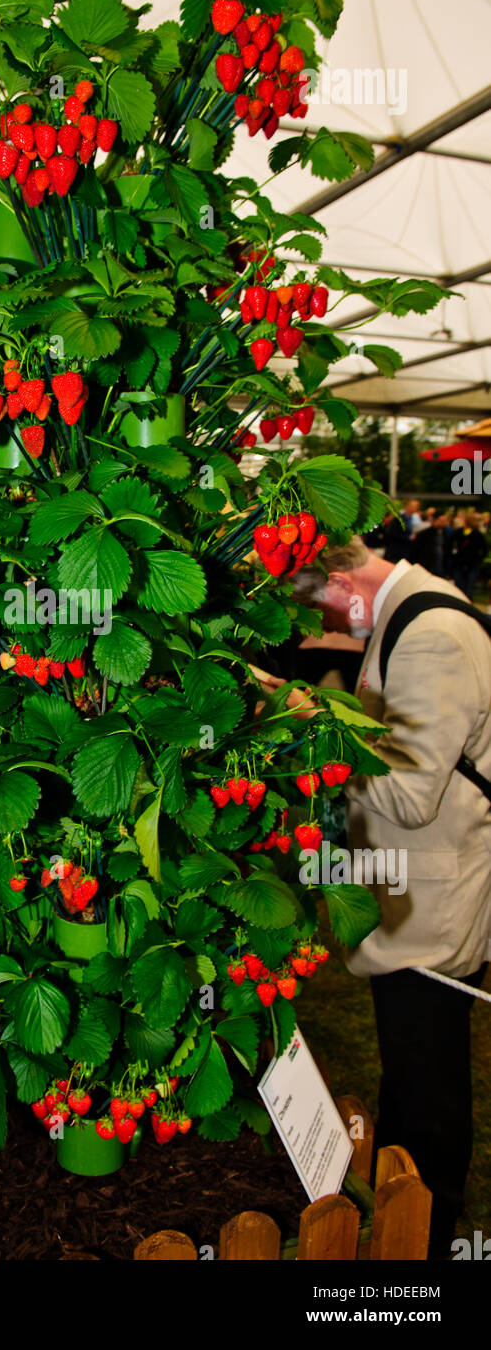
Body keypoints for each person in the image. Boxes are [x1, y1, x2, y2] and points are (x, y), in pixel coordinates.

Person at [293, 536, 491, 1258]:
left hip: (432, 912)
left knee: (428, 1081)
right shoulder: (407, 615)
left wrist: (317, 725)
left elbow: (409, 795)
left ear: (343, 578)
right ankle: (407, 1225)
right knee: (411, 1076)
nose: (332, 627)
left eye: (323, 608)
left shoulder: (431, 632)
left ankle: (427, 1241)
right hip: (417, 900)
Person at [451, 510, 487, 599]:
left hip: (468, 564)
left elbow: (484, 549)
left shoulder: (476, 534)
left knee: (464, 588)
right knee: (465, 587)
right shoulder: (460, 532)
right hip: (464, 564)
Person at [411, 510, 452, 578]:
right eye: (441, 520)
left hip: (441, 568)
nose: (444, 523)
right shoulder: (424, 534)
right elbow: (415, 551)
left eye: (445, 520)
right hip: (426, 568)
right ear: (434, 520)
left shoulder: (447, 534)